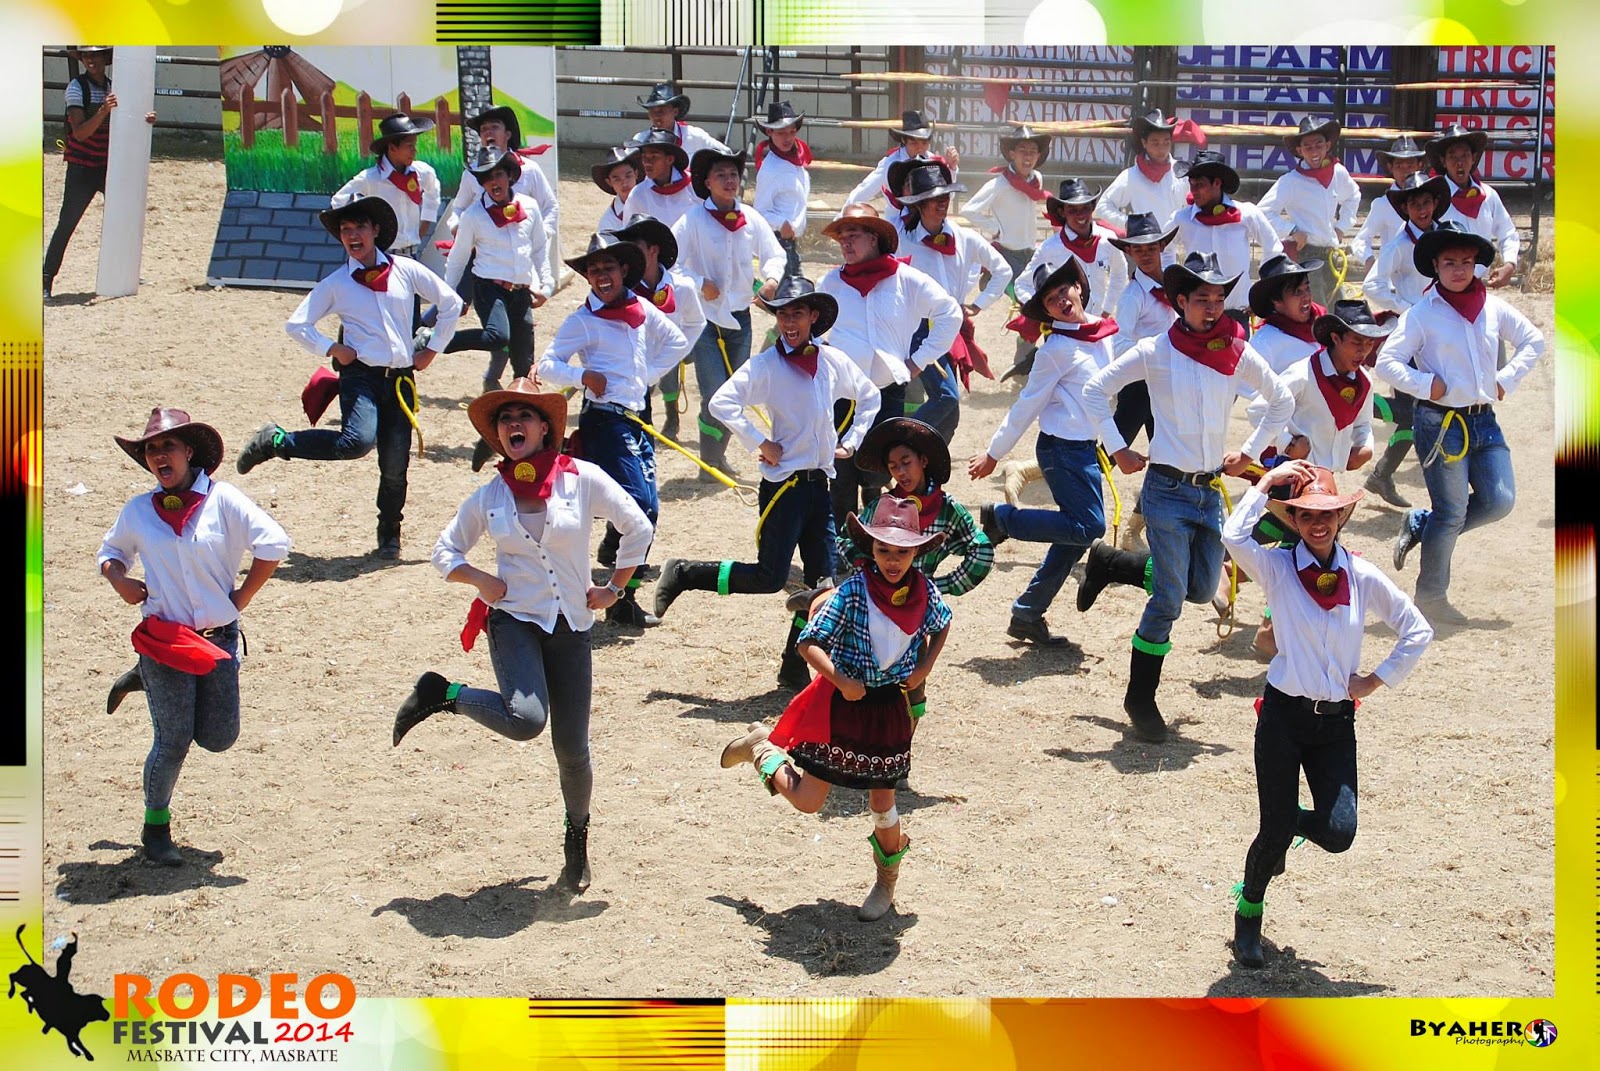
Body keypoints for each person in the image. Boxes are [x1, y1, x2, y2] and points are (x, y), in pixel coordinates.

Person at [392, 378, 653, 895]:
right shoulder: (490, 494)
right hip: (513, 620)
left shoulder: (582, 478)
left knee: (573, 751)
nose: (514, 424)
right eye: (506, 417)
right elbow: (445, 553)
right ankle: (442, 694)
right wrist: (480, 579)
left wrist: (615, 589)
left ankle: (576, 839)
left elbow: (637, 525)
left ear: (545, 429)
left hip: (573, 627)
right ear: (498, 434)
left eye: (525, 416)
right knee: (526, 720)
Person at [1221, 461, 1432, 968]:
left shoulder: (1361, 573)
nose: (1319, 523)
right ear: (1293, 519)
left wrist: (1377, 678)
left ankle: (1282, 827)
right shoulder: (1274, 567)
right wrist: (1268, 483)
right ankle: (1248, 915)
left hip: (1336, 724)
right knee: (1273, 831)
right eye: (1307, 515)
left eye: (1329, 514)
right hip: (1282, 718)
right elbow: (1232, 533)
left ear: (1342, 517)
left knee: (1339, 833)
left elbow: (1417, 628)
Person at [1078, 252, 1293, 742]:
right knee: (1172, 598)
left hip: (1209, 492)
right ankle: (1140, 697)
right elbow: (1095, 389)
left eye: (1219, 298)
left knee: (1199, 590)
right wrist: (1117, 448)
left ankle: (1112, 564)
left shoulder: (1237, 348)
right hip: (1166, 490)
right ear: (1180, 302)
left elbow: (1281, 399)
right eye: (1202, 299)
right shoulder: (1155, 350)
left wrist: (1250, 451)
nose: (1213, 307)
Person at [719, 497, 952, 921]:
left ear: (917, 551)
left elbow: (943, 623)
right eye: (884, 550)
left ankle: (885, 886)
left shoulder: (925, 592)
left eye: (901, 552)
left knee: (883, 801)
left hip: (890, 709)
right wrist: (842, 681)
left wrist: (924, 667)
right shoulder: (853, 593)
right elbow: (807, 642)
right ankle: (761, 749)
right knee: (809, 801)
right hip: (842, 705)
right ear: (872, 549)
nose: (893, 561)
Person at [652, 278, 879, 688]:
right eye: (782, 314)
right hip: (785, 486)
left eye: (797, 313)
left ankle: (793, 664)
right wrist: (759, 441)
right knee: (770, 578)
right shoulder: (765, 367)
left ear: (814, 317)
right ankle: (686, 573)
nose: (789, 322)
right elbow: (721, 401)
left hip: (819, 485)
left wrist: (852, 440)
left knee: (821, 584)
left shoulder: (833, 361)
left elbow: (869, 396)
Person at [99, 408, 289, 865]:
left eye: (168, 445)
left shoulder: (225, 500)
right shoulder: (138, 511)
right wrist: (119, 579)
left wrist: (241, 597)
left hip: (217, 640)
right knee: (173, 740)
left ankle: (142, 678)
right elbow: (111, 551)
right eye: (150, 448)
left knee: (220, 738)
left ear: (189, 452)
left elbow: (275, 544)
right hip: (165, 642)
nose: (158, 455)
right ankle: (155, 828)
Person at [237, 197, 463, 559]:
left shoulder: (406, 269)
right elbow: (297, 323)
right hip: (360, 376)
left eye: (359, 227)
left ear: (375, 230)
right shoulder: (337, 283)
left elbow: (451, 303)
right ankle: (278, 440)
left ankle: (389, 530)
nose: (352, 235)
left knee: (395, 464)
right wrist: (332, 348)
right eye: (345, 230)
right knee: (356, 441)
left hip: (400, 378)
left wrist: (433, 348)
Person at [1379, 220, 1545, 623]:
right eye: (1450, 262)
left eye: (1467, 262)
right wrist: (1424, 384)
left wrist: (1506, 379)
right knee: (1451, 511)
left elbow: (1533, 341)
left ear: (1477, 265)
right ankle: (1431, 596)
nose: (1459, 269)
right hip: (1440, 423)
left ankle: (1422, 523)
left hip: (1484, 419)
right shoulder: (1421, 314)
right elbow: (1388, 362)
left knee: (1500, 500)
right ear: (1435, 265)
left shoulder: (1492, 306)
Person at [536, 232, 693, 626]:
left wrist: (646, 379)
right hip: (605, 420)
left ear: (624, 270)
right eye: (594, 271)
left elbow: (676, 341)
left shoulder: (640, 309)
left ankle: (621, 586)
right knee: (641, 506)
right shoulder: (583, 320)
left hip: (637, 417)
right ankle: (619, 585)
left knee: (648, 509)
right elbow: (548, 364)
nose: (602, 277)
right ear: (587, 277)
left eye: (608, 268)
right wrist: (583, 374)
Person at [970, 258, 1115, 647]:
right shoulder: (1055, 349)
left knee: (1076, 538)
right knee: (1090, 527)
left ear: (1079, 288)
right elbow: (1026, 405)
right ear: (1046, 310)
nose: (1061, 301)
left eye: (1064, 291)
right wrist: (994, 453)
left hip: (1086, 449)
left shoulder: (1105, 332)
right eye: (1051, 300)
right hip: (1061, 451)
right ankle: (1003, 519)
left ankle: (1027, 614)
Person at [1238, 300, 1392, 652]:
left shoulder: (1364, 382)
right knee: (1302, 549)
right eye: (1357, 343)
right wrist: (1291, 440)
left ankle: (1247, 596)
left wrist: (1364, 446)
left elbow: (1364, 425)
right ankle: (1265, 624)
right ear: (1335, 338)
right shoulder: (1302, 373)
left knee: (1296, 548)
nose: (1364, 351)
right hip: (1296, 477)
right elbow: (1260, 408)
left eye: (1369, 344)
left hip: (1328, 483)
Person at [816, 204, 962, 525]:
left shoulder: (906, 279)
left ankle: (874, 522)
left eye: (854, 235)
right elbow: (814, 330)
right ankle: (843, 544)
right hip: (840, 394)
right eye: (842, 237)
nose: (846, 242)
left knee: (876, 471)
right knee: (840, 476)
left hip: (887, 391)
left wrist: (919, 361)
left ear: (875, 237)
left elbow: (950, 313)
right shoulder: (830, 282)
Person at [670, 147, 787, 476]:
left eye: (733, 174)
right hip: (705, 319)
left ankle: (716, 456)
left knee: (733, 395)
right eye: (721, 175)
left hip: (740, 317)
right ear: (706, 182)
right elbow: (670, 263)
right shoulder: (692, 220)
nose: (729, 180)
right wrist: (698, 282)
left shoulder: (751, 218)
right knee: (713, 395)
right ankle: (710, 462)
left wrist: (772, 279)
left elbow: (774, 253)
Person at [440, 147, 554, 472]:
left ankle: (497, 443)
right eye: (487, 177)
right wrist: (449, 298)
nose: (494, 182)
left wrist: (545, 286)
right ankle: (442, 343)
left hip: (520, 293)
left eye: (499, 174)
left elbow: (540, 250)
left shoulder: (530, 207)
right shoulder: (473, 216)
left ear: (510, 176)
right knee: (496, 335)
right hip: (488, 287)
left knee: (525, 376)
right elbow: (459, 257)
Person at [890, 159, 1012, 442]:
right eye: (934, 199)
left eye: (945, 197)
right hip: (915, 330)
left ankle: (924, 463)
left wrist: (979, 304)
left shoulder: (966, 237)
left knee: (950, 412)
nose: (941, 203)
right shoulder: (900, 240)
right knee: (945, 397)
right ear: (919, 204)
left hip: (951, 328)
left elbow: (1002, 269)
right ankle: (894, 440)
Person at [1360, 172, 1451, 509]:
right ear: (1406, 209)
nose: (1422, 209)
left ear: (1435, 203)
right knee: (1416, 410)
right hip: (1409, 337)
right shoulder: (1398, 246)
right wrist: (1407, 307)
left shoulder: (1445, 236)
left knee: (1421, 411)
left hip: (1440, 334)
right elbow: (1372, 285)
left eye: (1426, 202)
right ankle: (1359, 404)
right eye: (1415, 204)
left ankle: (1382, 474)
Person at [44, 46, 156, 299]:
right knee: (68, 223)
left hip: (109, 166)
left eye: (95, 55)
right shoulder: (76, 87)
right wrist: (104, 111)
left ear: (106, 58)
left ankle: (126, 273)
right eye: (86, 56)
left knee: (125, 217)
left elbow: (129, 120)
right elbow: (80, 134)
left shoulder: (114, 88)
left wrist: (145, 119)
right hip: (82, 167)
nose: (90, 60)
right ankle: (46, 278)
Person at [1005, 178, 1127, 385]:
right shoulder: (1051, 247)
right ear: (1062, 213)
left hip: (1096, 323)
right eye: (1073, 210)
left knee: (1097, 382)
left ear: (1092, 208)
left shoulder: (1107, 239)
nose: (1080, 216)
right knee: (1064, 383)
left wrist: (1107, 307)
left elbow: (1119, 273)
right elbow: (1022, 284)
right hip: (1063, 329)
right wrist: (1047, 311)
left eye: (1085, 209)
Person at [611, 214, 706, 445]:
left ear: (653, 250)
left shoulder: (682, 287)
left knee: (669, 380)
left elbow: (696, 322)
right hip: (631, 365)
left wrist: (679, 349)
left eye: (636, 247)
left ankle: (672, 417)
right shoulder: (621, 289)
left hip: (663, 356)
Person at [1172, 149, 1284, 329]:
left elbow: (1274, 249)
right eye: (1191, 185)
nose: (1194, 191)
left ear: (1217, 183)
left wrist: (1261, 294)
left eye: (1199, 185)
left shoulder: (1247, 214)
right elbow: (1161, 248)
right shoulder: (1182, 218)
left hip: (1236, 313)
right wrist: (1170, 285)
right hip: (1198, 315)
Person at [1256, 117, 1360, 307]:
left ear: (1327, 146)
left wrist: (1341, 228)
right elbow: (1262, 212)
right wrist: (1292, 230)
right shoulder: (1291, 181)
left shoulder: (1337, 172)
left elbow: (1353, 195)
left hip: (1330, 251)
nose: (1314, 151)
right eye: (1308, 147)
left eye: (1318, 145)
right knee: (1316, 305)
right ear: (1299, 150)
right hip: (1306, 253)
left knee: (1337, 303)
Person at [446, 105, 560, 250]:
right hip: (483, 255)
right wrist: (457, 228)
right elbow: (459, 207)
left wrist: (542, 233)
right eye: (483, 129)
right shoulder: (471, 173)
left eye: (494, 127)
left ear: (507, 134)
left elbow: (550, 206)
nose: (488, 132)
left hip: (522, 254)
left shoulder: (529, 169)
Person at [330, 113, 441, 259]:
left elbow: (433, 196)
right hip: (382, 255)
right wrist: (362, 231)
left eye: (414, 145)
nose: (414, 151)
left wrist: (422, 229)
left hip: (412, 254)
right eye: (409, 146)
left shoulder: (423, 172)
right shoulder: (370, 178)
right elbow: (338, 201)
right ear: (392, 148)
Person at [1428, 123, 1518, 288]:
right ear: (1443, 161)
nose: (1459, 163)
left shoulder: (1488, 195)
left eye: (1465, 156)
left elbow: (1507, 232)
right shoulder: (1433, 198)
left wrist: (1510, 264)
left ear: (1474, 158)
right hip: (1441, 287)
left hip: (1479, 287)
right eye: (1453, 156)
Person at [960, 123, 1053, 283]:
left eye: (1032, 152)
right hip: (1008, 250)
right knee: (1022, 295)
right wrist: (995, 229)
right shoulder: (999, 184)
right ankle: (993, 278)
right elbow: (968, 210)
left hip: (1030, 248)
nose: (1028, 157)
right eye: (1023, 151)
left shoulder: (1037, 178)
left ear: (1038, 156)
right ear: (1012, 154)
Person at [1096, 109, 1193, 240]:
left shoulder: (1181, 173)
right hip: (1143, 245)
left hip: (1172, 247)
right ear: (1144, 143)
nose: (1161, 148)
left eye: (1166, 142)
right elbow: (1103, 207)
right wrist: (1130, 223)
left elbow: (1192, 206)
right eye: (1155, 143)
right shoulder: (1131, 176)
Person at [843, 110, 959, 213]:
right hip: (898, 221)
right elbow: (865, 190)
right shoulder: (890, 163)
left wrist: (951, 168)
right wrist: (842, 219)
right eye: (914, 143)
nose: (920, 148)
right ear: (904, 140)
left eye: (925, 143)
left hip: (928, 221)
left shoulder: (935, 162)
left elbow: (949, 196)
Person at [750, 100, 813, 277]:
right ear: (770, 132)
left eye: (791, 132)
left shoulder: (794, 160)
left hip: (789, 239)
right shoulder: (771, 169)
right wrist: (782, 224)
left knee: (790, 295)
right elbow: (760, 211)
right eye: (781, 132)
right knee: (789, 295)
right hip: (779, 239)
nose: (787, 138)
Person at [1348, 135, 1429, 266]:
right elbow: (1360, 240)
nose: (1405, 172)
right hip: (1393, 278)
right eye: (1399, 166)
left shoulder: (1430, 202)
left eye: (1410, 165)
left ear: (1419, 166)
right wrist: (1369, 260)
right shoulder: (1383, 204)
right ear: (1390, 167)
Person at [1244, 253, 1325, 380]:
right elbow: (1249, 388)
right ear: (1276, 300)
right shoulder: (1265, 343)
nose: (1307, 297)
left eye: (1307, 289)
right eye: (1297, 292)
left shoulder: (1323, 326)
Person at [634, 82, 733, 159]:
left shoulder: (694, 135)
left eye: (661, 111)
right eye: (652, 111)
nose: (656, 116)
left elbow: (726, 153)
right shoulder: (640, 140)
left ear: (675, 112)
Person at [620, 130, 696, 227]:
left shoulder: (694, 188)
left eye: (654, 157)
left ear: (669, 159)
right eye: (644, 157)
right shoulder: (638, 195)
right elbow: (630, 231)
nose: (647, 162)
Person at [592, 144, 643, 235]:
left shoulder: (653, 200)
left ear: (636, 174)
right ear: (609, 182)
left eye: (628, 176)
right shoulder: (608, 222)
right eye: (617, 179)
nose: (624, 183)